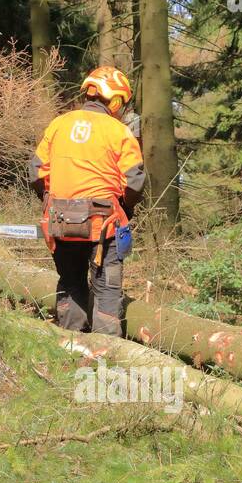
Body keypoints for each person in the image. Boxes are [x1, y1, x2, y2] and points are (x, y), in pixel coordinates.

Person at [28, 67, 145, 336]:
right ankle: (105, 354)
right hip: (104, 226)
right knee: (106, 288)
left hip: (61, 223)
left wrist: (50, 201)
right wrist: (126, 208)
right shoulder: (119, 132)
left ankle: (70, 346)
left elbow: (36, 171)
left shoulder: (59, 124)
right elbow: (134, 182)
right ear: (115, 101)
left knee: (70, 283)